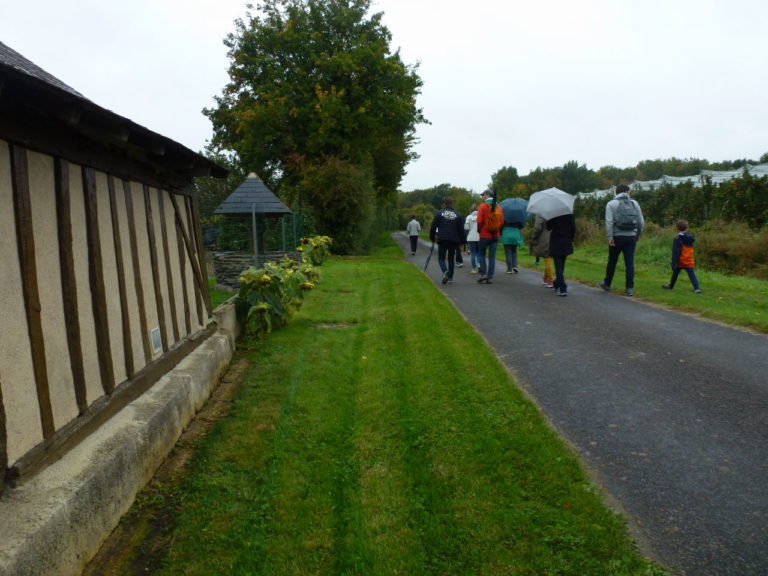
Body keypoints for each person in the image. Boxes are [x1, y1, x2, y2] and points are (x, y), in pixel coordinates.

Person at [599, 184, 644, 296]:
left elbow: (609, 222)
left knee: (612, 261)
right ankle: (629, 288)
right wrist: (637, 234)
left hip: (616, 237)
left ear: (617, 192)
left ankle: (607, 283)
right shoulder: (634, 203)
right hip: (631, 237)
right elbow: (640, 222)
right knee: (629, 263)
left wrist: (610, 237)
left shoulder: (611, 204)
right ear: (627, 191)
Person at [429, 198, 464, 284]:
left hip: (443, 239)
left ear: (444, 204)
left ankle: (445, 272)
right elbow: (461, 230)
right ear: (452, 204)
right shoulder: (458, 215)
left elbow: (433, 227)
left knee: (441, 258)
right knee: (451, 259)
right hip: (453, 239)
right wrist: (462, 241)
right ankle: (450, 277)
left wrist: (432, 237)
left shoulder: (439, 213)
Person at [662, 219, 702, 293]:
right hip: (689, 260)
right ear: (687, 228)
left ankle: (671, 286)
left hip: (680, 260)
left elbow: (676, 252)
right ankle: (697, 288)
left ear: (677, 228)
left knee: (675, 274)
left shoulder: (677, 239)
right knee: (692, 275)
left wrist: (674, 263)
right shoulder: (690, 238)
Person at [547, 212, 576, 296]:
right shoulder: (569, 213)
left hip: (556, 242)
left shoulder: (553, 213)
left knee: (558, 266)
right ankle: (557, 283)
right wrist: (571, 238)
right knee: (561, 264)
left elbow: (548, 227)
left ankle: (563, 288)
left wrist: (548, 218)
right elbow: (573, 228)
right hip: (566, 241)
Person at [476, 190, 501, 284]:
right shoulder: (498, 207)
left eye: (483, 195)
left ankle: (483, 274)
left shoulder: (482, 206)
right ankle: (490, 277)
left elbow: (479, 221)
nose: (482, 197)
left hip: (484, 234)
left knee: (481, 254)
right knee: (492, 257)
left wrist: (479, 231)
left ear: (487, 195)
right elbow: (502, 222)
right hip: (495, 235)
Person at [529, 215, 554, 287]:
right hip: (553, 237)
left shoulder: (541, 214)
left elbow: (537, 228)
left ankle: (550, 280)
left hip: (544, 238)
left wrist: (533, 237)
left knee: (547, 258)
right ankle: (546, 278)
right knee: (548, 258)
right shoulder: (554, 213)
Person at [464, 204, 480, 273]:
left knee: (473, 253)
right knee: (479, 253)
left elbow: (466, 228)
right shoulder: (481, 216)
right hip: (479, 237)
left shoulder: (468, 217)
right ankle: (479, 264)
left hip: (471, 237)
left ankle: (474, 268)